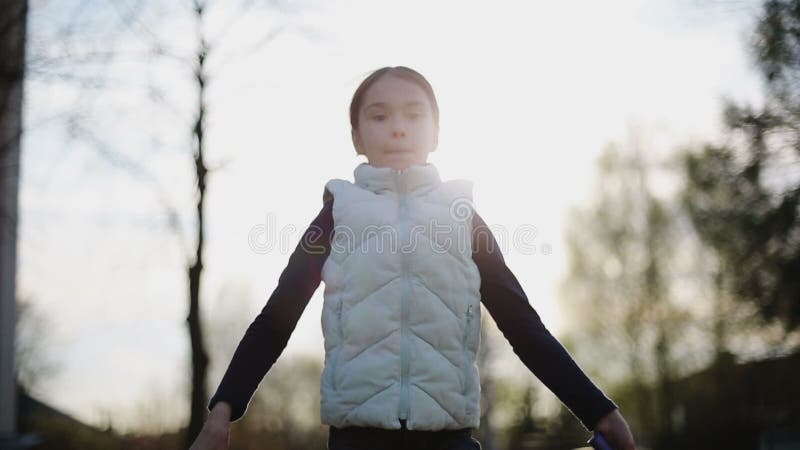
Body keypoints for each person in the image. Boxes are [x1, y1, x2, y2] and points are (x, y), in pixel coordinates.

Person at [189, 66, 637, 450]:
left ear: (436, 132)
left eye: (414, 114)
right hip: (356, 438)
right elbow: (276, 318)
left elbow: (521, 322)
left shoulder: (462, 216)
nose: (398, 127)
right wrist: (221, 411)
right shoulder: (336, 213)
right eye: (379, 115)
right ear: (357, 136)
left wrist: (599, 412)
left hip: (449, 436)